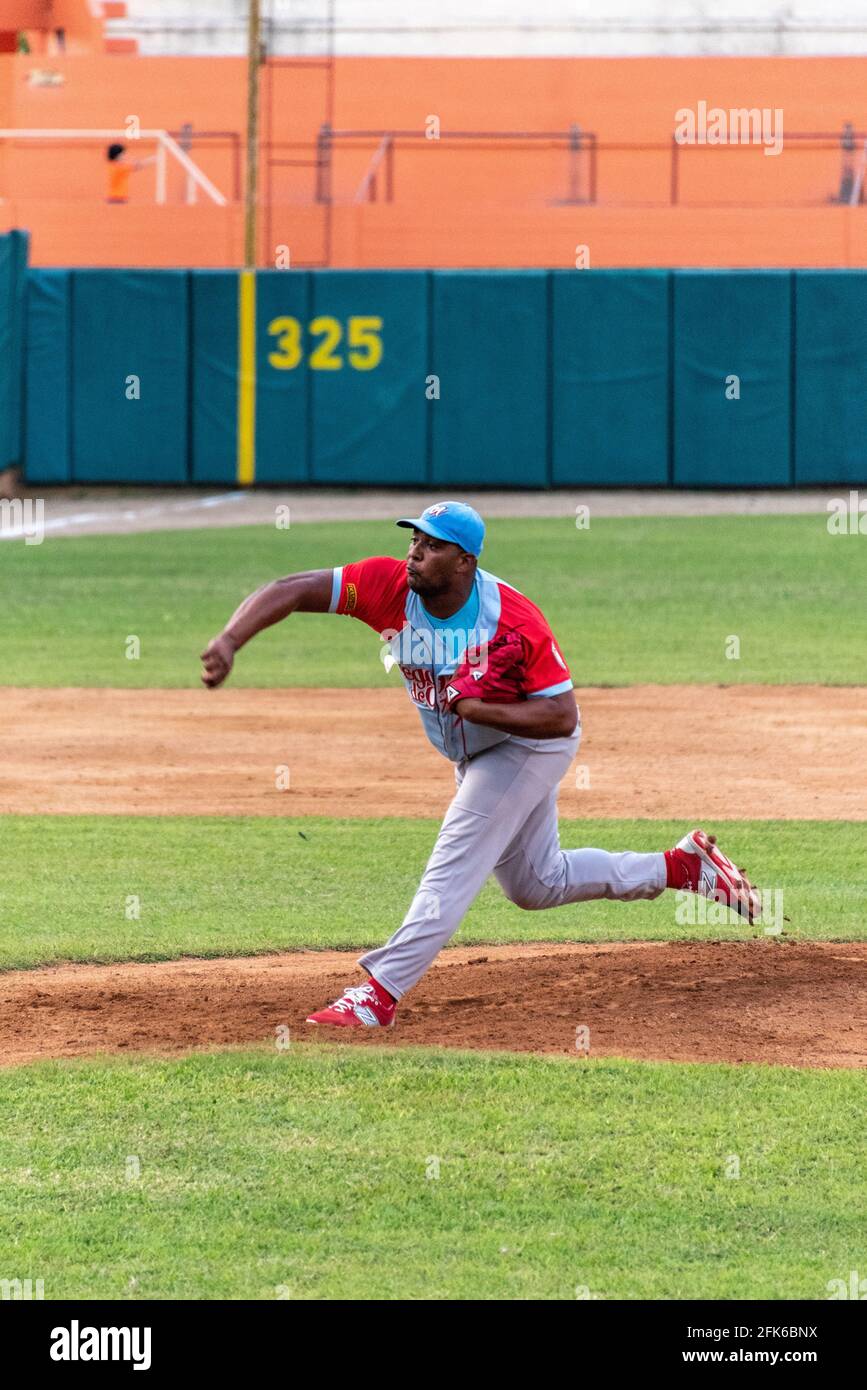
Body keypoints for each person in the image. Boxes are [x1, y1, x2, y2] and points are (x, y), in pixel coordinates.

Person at [200, 501, 761, 1029]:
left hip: (528, 746)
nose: (415, 552)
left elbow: (563, 717)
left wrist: (477, 707)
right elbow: (292, 589)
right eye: (416, 539)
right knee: (537, 884)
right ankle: (682, 868)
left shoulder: (510, 621)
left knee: (457, 860)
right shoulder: (389, 587)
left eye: (433, 545)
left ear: (465, 561)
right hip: (475, 751)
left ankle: (379, 993)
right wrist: (229, 639)